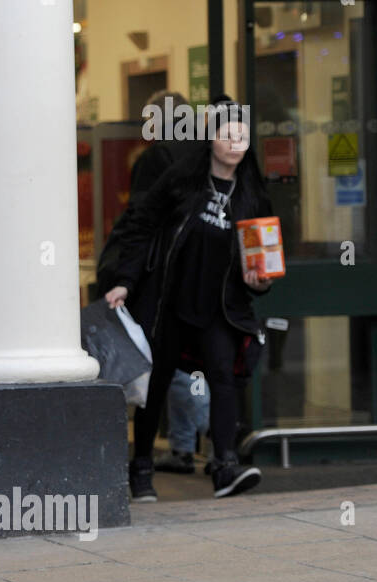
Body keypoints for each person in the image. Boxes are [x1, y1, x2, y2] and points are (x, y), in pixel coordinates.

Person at [103, 101, 271, 501]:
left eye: (242, 136)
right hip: (168, 300)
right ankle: (140, 468)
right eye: (227, 134)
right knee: (155, 384)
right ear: (211, 137)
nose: (235, 143)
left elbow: (261, 258)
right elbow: (141, 223)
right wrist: (125, 280)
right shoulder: (181, 180)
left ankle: (226, 466)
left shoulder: (251, 194)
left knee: (223, 379)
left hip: (220, 307)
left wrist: (259, 282)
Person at [100, 89, 213, 474]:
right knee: (202, 365)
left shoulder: (155, 160)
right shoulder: (209, 156)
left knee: (159, 369)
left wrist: (125, 277)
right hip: (202, 278)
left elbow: (140, 222)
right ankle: (211, 450)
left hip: (162, 281)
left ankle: (144, 466)